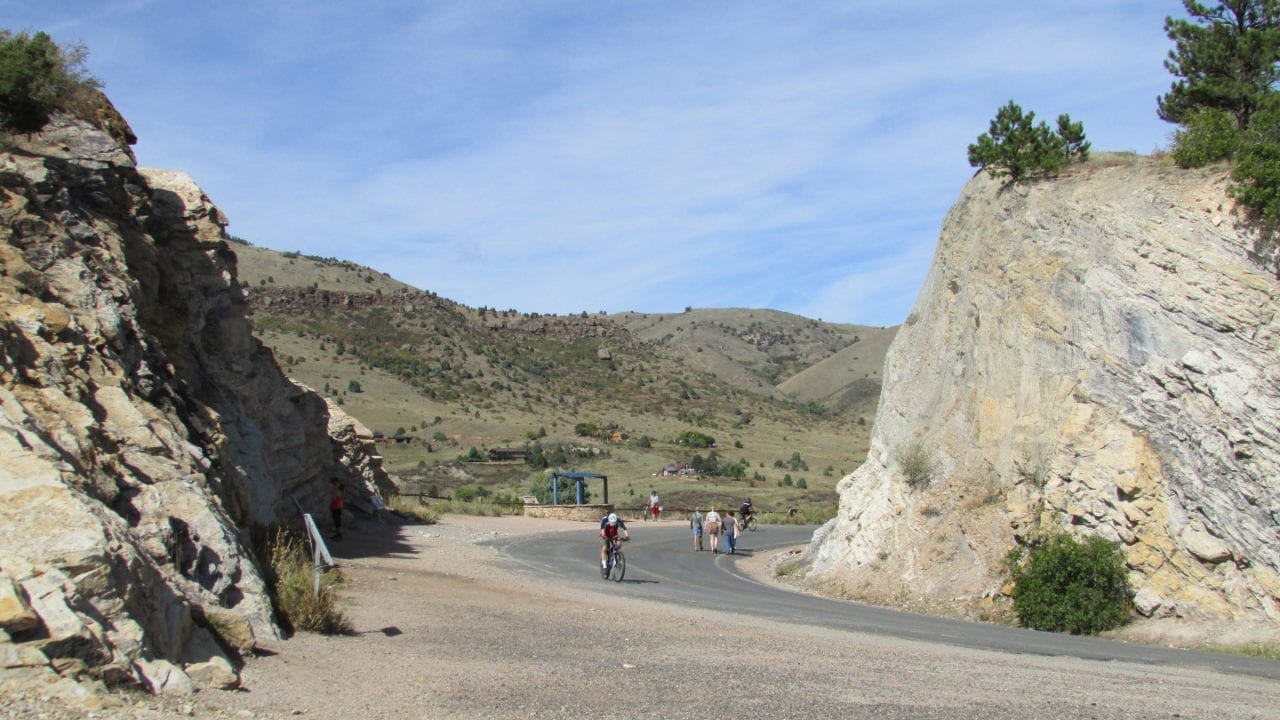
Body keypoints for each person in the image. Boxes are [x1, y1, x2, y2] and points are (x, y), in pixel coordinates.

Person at [599, 512, 630, 577]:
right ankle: (605, 566)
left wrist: (627, 536)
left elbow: (624, 529)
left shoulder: (619, 520)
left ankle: (617, 556)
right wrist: (604, 536)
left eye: (614, 523)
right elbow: (603, 531)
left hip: (614, 535)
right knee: (604, 548)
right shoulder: (605, 520)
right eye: (611, 523)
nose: (613, 525)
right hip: (605, 535)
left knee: (619, 544)